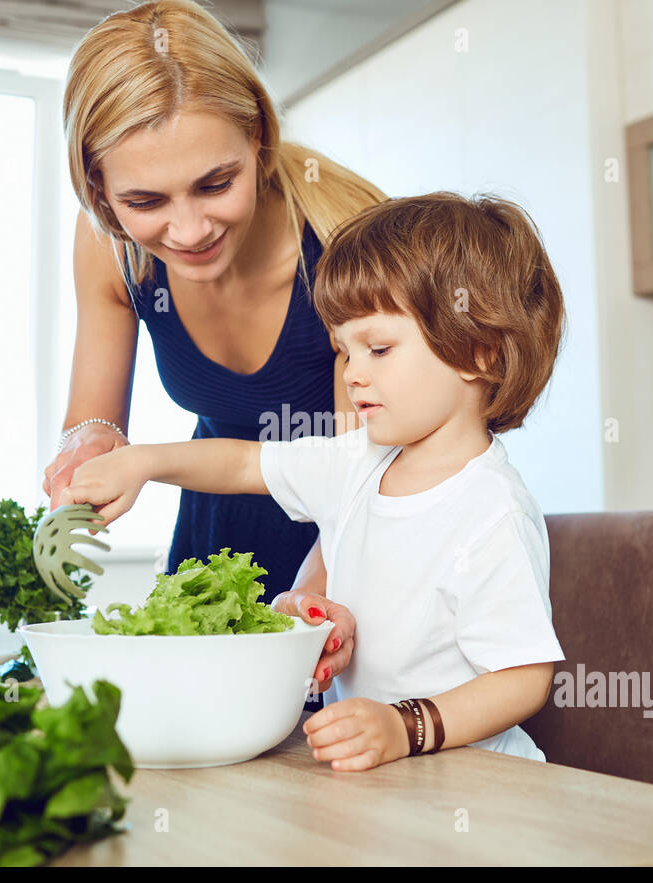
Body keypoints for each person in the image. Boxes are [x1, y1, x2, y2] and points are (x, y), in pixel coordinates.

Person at [57, 191, 569, 771]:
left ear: (479, 352)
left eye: (378, 347)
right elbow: (243, 464)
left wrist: (406, 726)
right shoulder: (357, 460)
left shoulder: (492, 508)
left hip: (483, 782)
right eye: (344, 351)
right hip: (387, 780)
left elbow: (524, 677)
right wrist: (144, 462)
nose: (353, 375)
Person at [42, 0, 389, 711]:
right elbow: (96, 425)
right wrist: (88, 451)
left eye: (215, 183)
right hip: (216, 530)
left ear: (258, 137)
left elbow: (359, 478)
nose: (190, 229)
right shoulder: (110, 245)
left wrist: (307, 605)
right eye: (145, 200)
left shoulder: (349, 235)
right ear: (100, 193)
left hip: (345, 544)